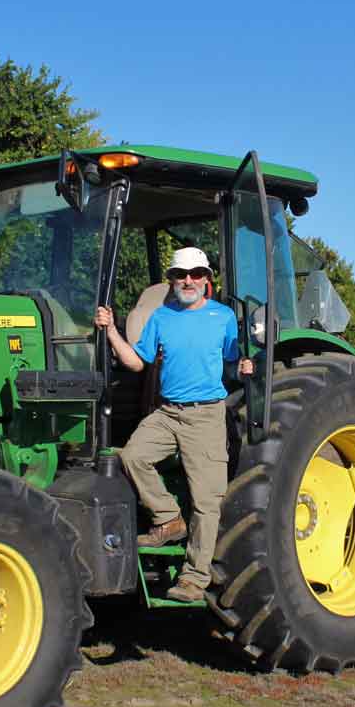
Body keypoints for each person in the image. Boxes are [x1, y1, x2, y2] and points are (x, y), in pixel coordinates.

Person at [94, 246, 253, 602]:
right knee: (132, 455)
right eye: (180, 275)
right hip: (168, 413)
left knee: (205, 502)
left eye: (196, 274)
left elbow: (232, 360)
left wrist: (244, 366)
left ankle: (195, 579)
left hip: (206, 415)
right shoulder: (162, 317)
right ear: (171, 280)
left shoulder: (223, 316)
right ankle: (168, 518)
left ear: (207, 279)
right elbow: (137, 363)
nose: (188, 281)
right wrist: (111, 333)